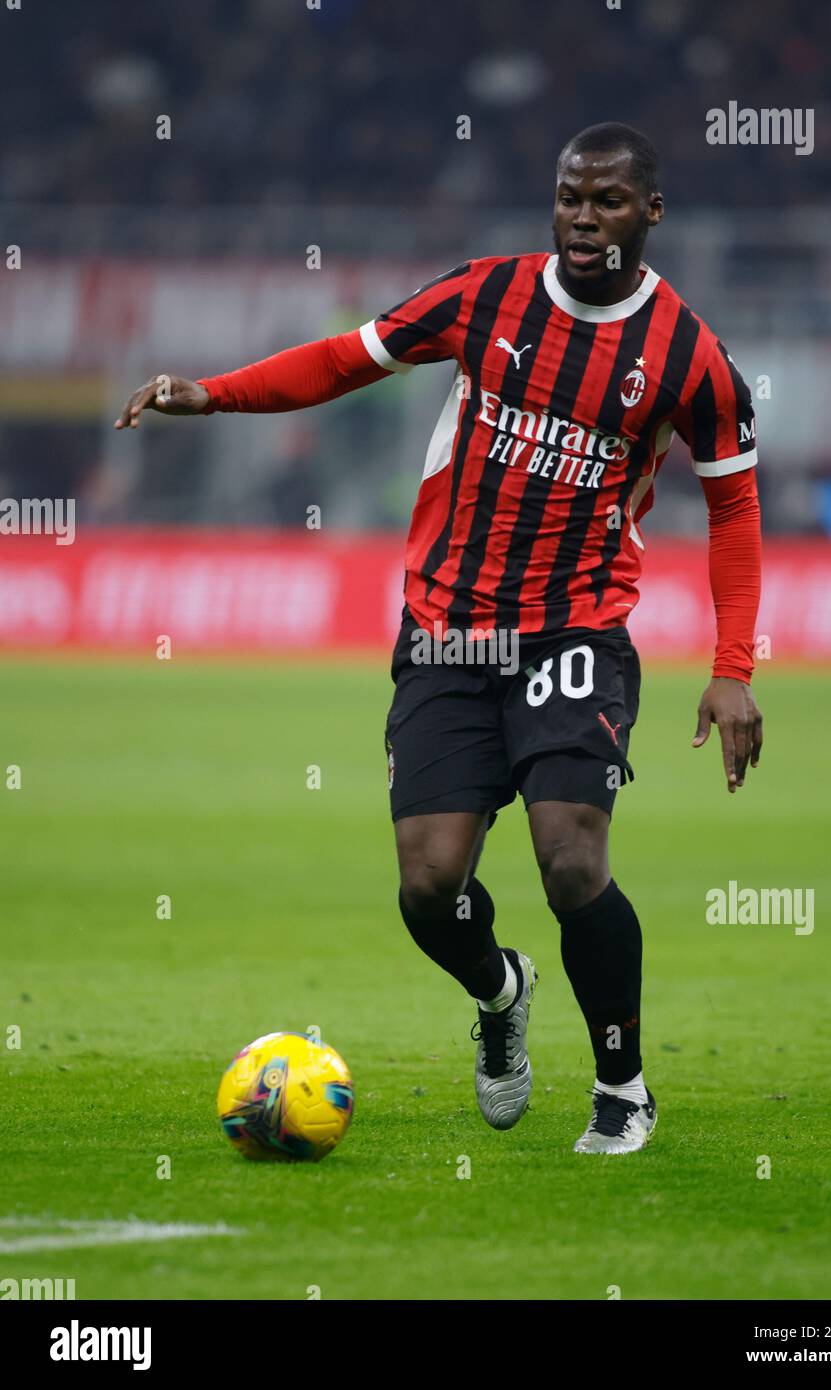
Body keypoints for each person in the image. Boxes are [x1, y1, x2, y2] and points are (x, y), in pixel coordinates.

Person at [116, 122, 763, 1155]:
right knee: (427, 884)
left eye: (604, 201)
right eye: (567, 198)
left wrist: (732, 670)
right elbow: (347, 358)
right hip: (447, 631)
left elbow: (734, 510)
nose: (582, 219)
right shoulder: (486, 295)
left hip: (575, 632)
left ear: (651, 211)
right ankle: (501, 991)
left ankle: (621, 1087)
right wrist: (217, 392)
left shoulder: (691, 358)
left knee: (571, 861)